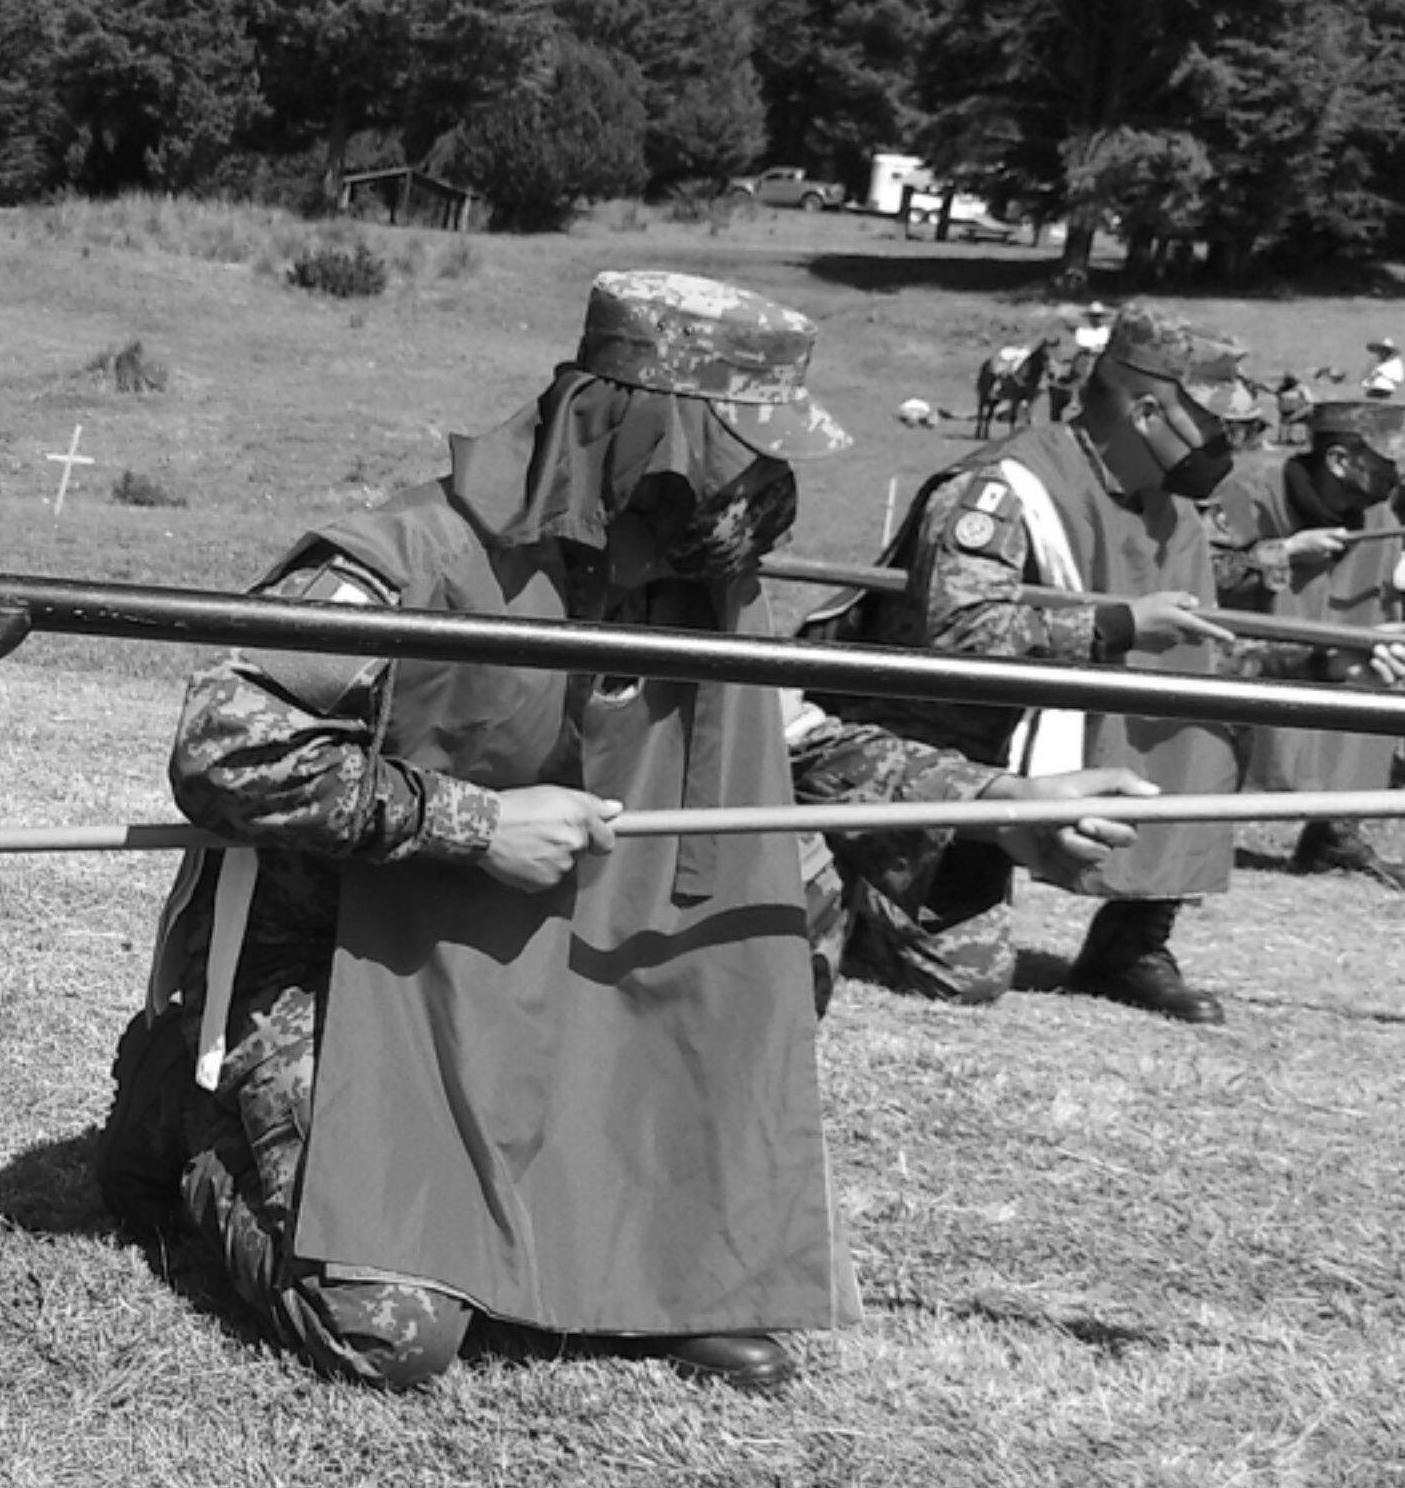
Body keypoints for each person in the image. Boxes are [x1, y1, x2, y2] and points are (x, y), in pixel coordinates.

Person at [94, 272, 1137, 1400]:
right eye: (744, 453)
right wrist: (470, 822)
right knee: (389, 1331)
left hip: (542, 968)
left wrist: (991, 806)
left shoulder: (694, 586)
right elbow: (222, 747)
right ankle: (181, 1114)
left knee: (703, 1160)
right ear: (649, 438)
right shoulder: (405, 561)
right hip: (342, 960)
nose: (766, 490)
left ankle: (632, 1273)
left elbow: (788, 733)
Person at [809, 305, 1261, 1022]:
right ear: (1147, 412)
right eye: (1210, 421)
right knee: (965, 976)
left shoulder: (1166, 506)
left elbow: (1209, 586)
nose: (1223, 442)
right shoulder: (1002, 489)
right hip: (931, 756)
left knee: (1209, 720)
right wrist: (1117, 625)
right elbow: (957, 632)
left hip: (1029, 744)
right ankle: (844, 874)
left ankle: (1131, 942)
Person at [1211, 398, 1405, 888]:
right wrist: (1285, 551)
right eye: (1385, 462)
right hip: (1248, 651)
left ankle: (1334, 831)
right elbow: (1203, 569)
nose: (1397, 475)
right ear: (1340, 462)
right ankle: (1197, 821)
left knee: (1369, 710)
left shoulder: (1379, 515)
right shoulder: (1251, 492)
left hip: (1349, 643)